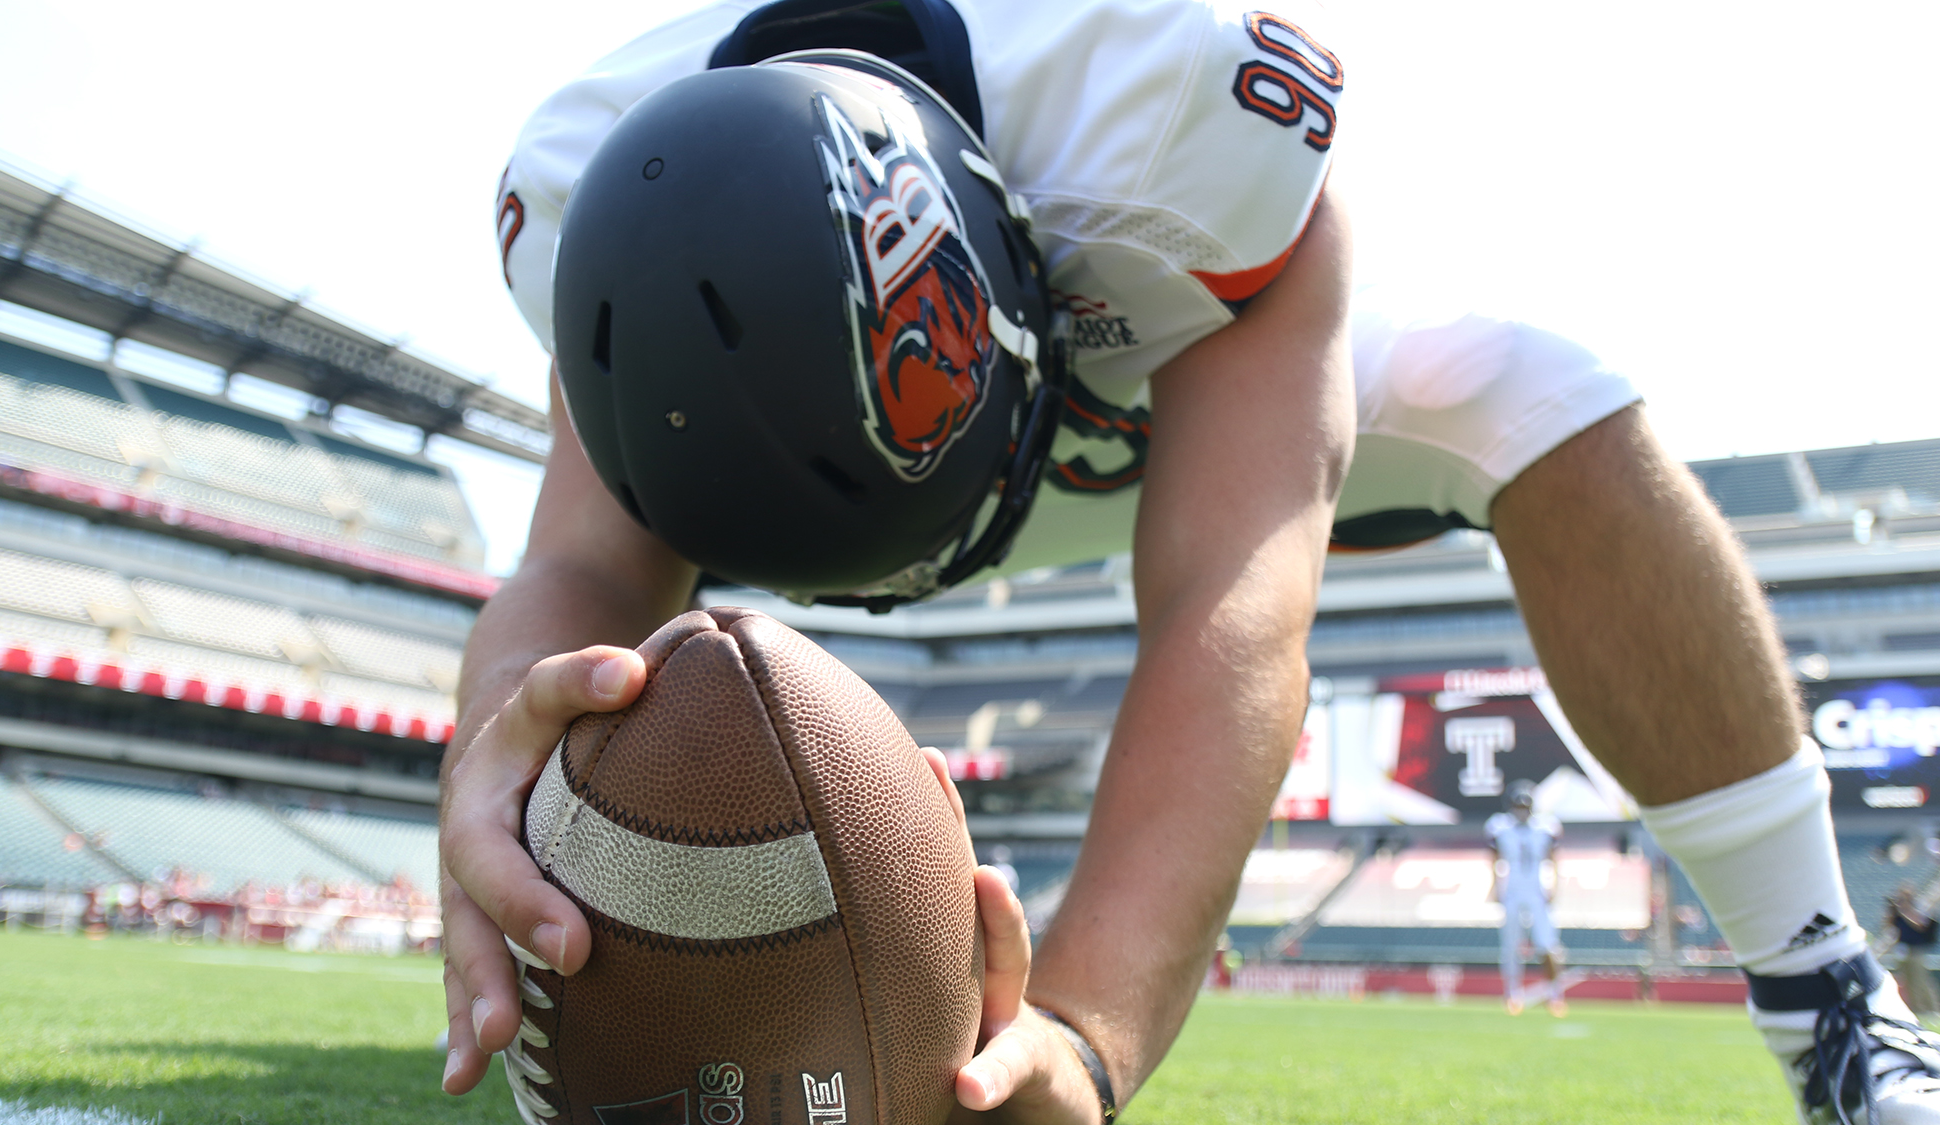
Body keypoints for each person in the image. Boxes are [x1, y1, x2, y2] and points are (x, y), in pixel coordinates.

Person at [438, 3, 1940, 1122]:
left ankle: (1828, 988)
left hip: (1147, 404)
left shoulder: (1166, 114)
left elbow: (1233, 614)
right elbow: (577, 573)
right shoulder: (594, 194)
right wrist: (484, 788)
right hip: (931, 429)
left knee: (1535, 394)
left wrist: (1084, 1035)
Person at [1486, 781, 1565, 1017]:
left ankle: (1555, 995)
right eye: (1518, 806)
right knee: (1511, 947)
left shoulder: (1545, 827)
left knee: (1548, 946)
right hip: (1512, 890)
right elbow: (1494, 858)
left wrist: (1555, 887)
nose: (1521, 810)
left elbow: (1554, 858)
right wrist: (1495, 886)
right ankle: (1513, 995)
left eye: (1525, 806)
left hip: (1537, 891)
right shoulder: (1500, 827)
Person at [1886, 884, 1940, 1023]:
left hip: (1916, 950)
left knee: (1920, 981)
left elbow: (1919, 924)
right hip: (1902, 950)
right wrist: (1892, 911)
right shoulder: (1897, 912)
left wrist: (1904, 910)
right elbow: (1888, 926)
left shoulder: (1917, 907)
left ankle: (1932, 1009)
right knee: (1907, 981)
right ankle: (1917, 1009)